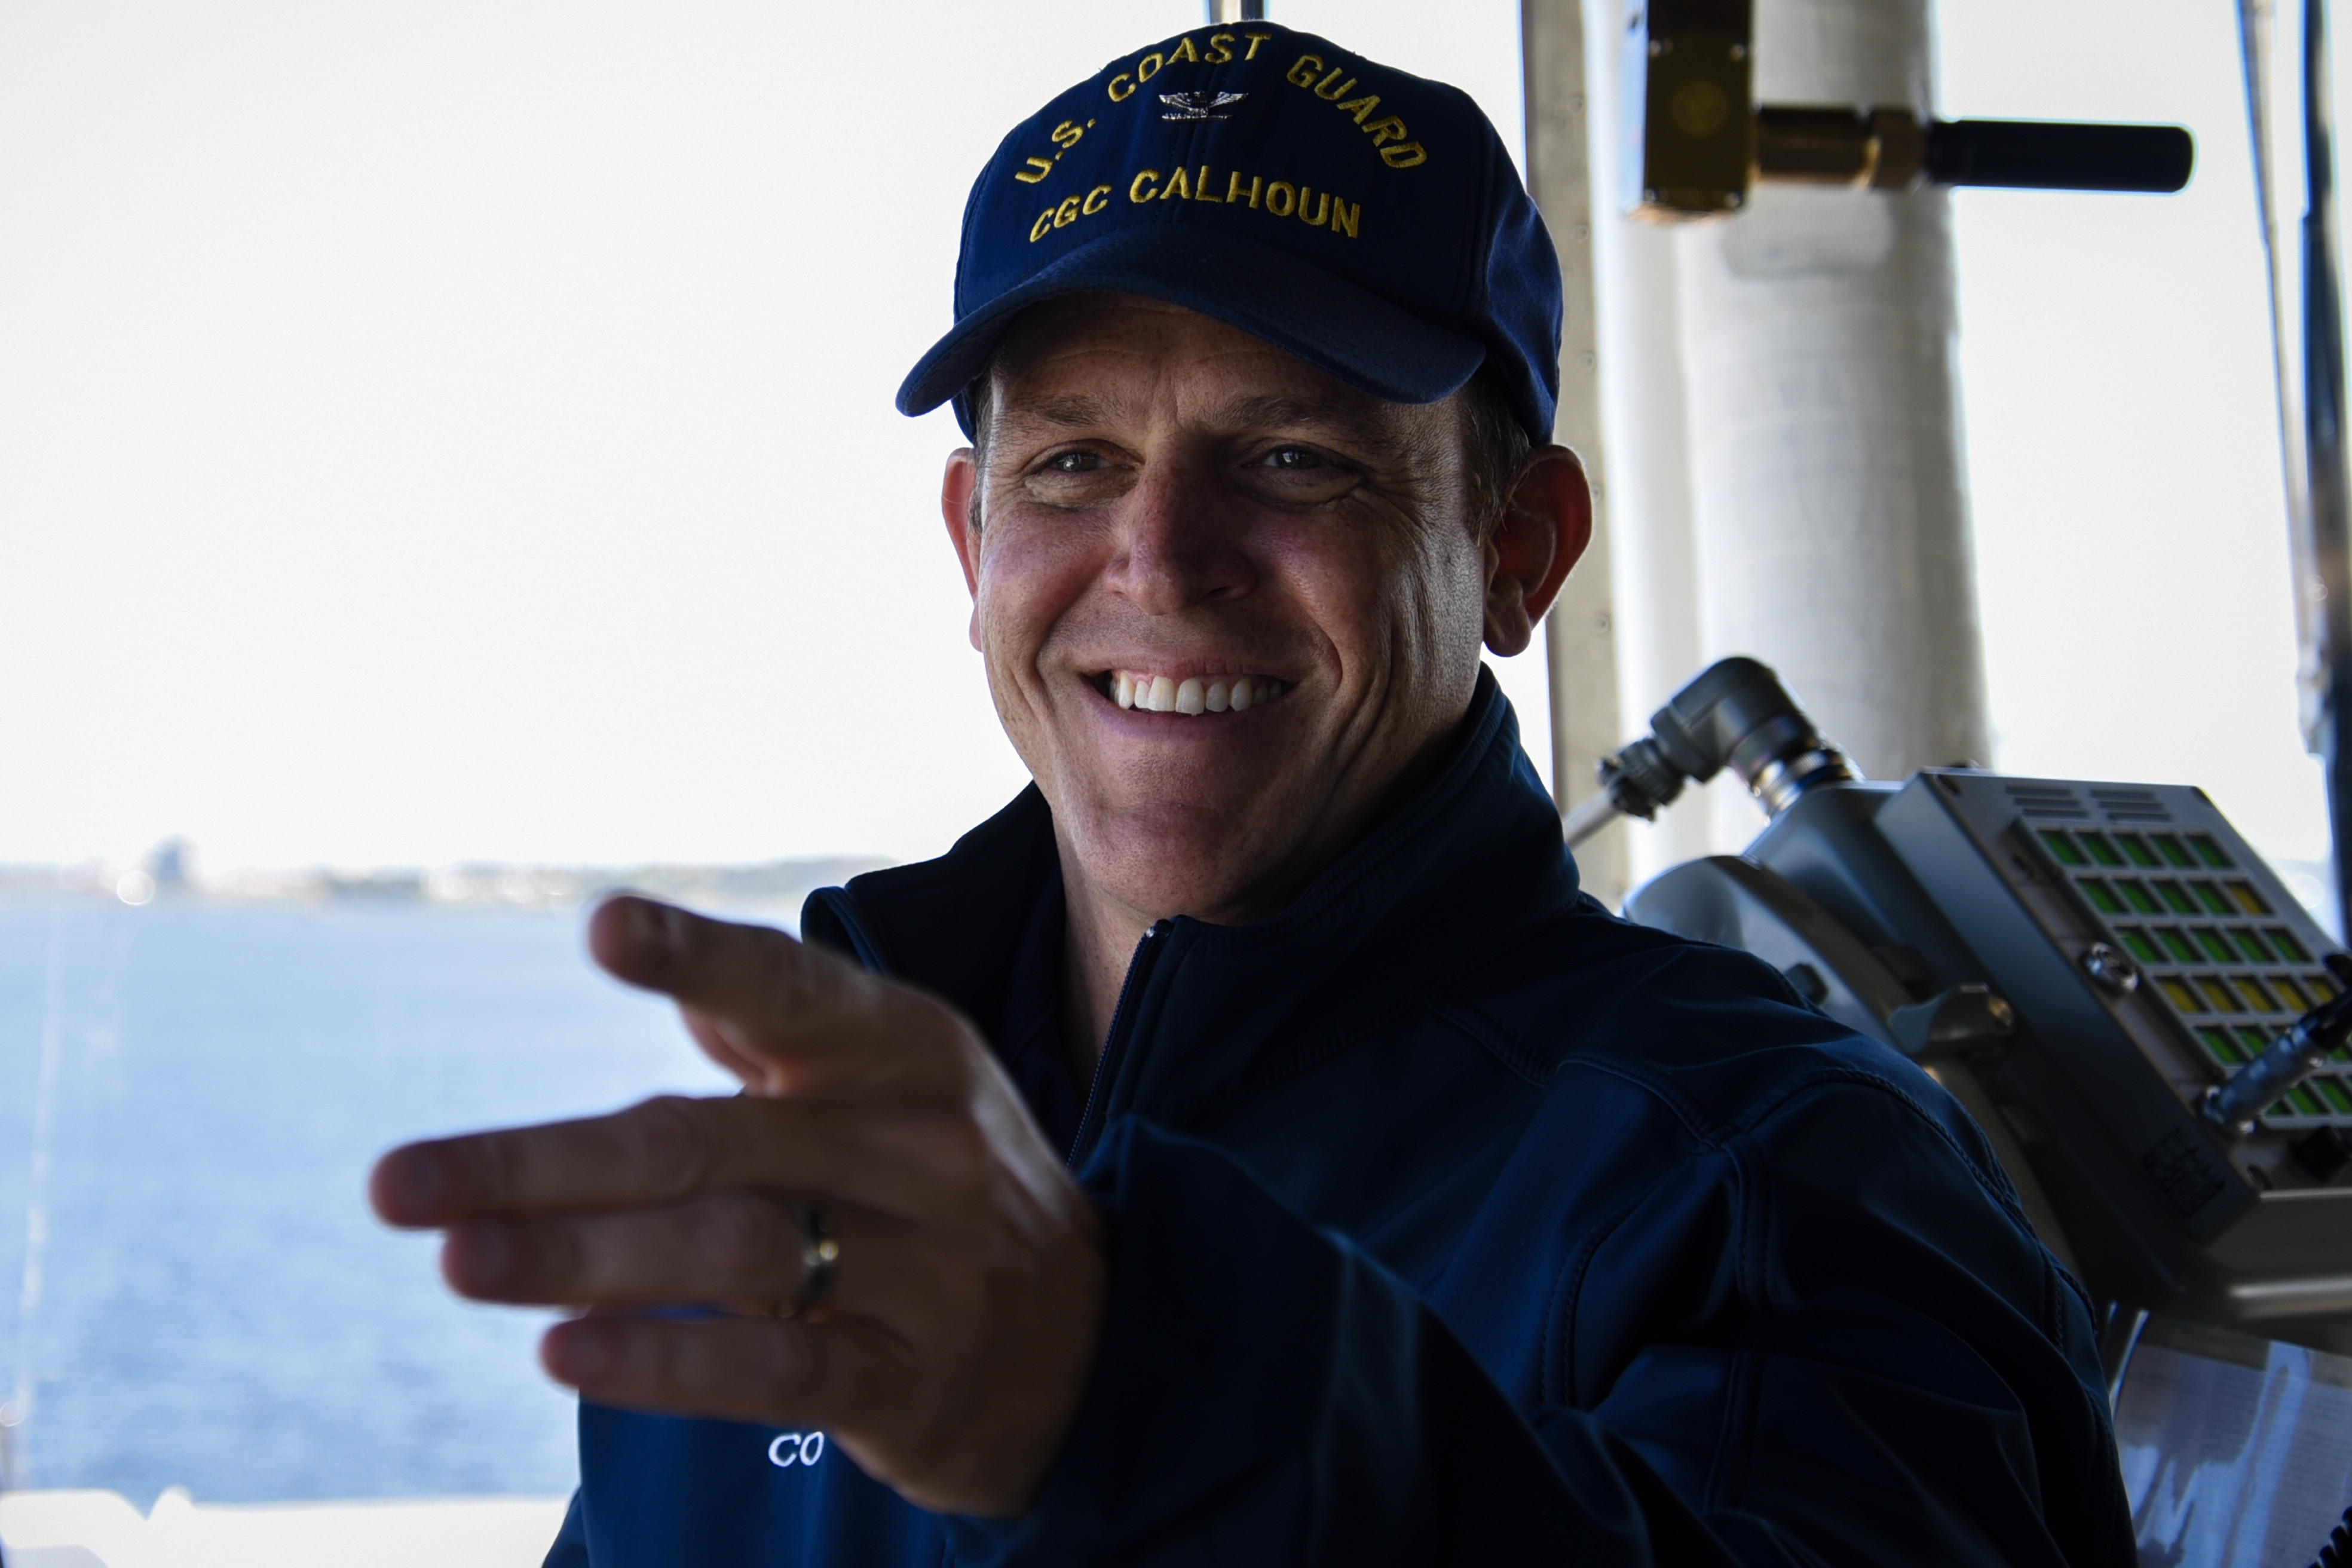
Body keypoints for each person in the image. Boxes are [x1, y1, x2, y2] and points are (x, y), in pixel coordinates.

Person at [369, 22, 2133, 1566]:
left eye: (1294, 459)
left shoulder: (1776, 1183)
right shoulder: (805, 1170)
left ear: (1518, 552)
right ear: (976, 541)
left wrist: (1140, 1396)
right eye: (1074, 462)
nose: (1161, 561)